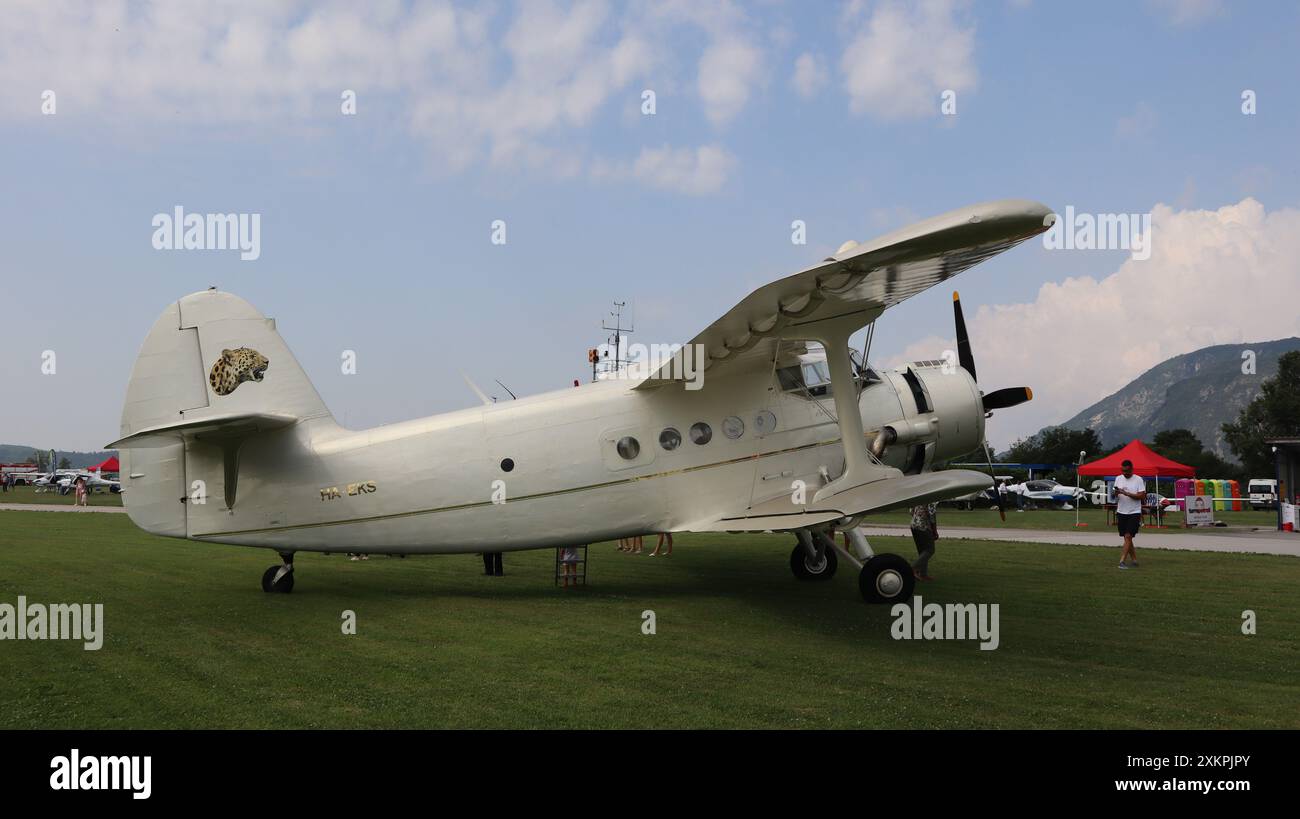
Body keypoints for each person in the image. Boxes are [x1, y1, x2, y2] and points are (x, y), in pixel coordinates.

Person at [1113, 459, 1145, 569]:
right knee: (1127, 538)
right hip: (1121, 511)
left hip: (1134, 512)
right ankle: (1135, 560)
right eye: (1123, 470)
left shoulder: (1138, 479)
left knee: (1128, 536)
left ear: (1132, 469)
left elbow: (1141, 496)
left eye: (1126, 470)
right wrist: (1116, 493)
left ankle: (1122, 561)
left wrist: (1127, 493)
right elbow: (1115, 495)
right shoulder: (1118, 478)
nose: (1124, 473)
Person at [909, 502, 938, 581]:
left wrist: (917, 517)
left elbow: (911, 510)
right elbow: (932, 516)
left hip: (914, 525)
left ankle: (923, 574)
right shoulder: (931, 498)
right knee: (930, 550)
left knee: (922, 551)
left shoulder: (920, 497)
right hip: (923, 526)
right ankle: (912, 569)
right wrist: (934, 531)